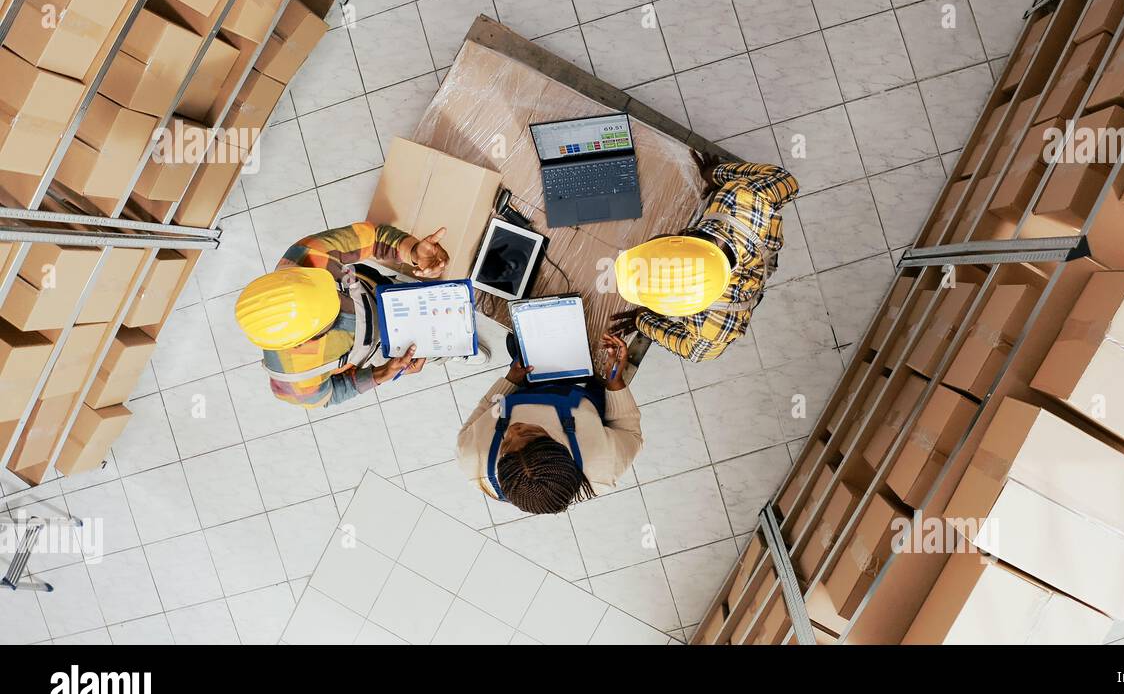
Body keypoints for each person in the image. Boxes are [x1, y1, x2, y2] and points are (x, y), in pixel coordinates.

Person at [235, 221, 486, 408]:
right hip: (378, 348)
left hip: (378, 291)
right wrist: (383, 373)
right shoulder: (294, 379)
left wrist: (412, 251)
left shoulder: (306, 256)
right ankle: (446, 353)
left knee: (431, 304)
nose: (335, 299)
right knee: (434, 345)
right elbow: (332, 395)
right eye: (329, 312)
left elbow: (373, 238)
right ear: (300, 341)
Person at [609, 153, 799, 362]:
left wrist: (643, 320)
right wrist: (715, 174)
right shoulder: (739, 199)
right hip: (759, 248)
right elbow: (786, 181)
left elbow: (694, 351)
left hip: (755, 267)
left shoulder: (716, 324)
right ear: (683, 237)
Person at [456, 332, 642, 514]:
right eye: (531, 434)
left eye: (506, 446)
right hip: (584, 389)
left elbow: (484, 410)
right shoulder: (603, 468)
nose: (513, 430)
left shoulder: (472, 457)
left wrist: (511, 380)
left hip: (524, 382)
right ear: (562, 449)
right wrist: (614, 382)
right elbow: (628, 429)